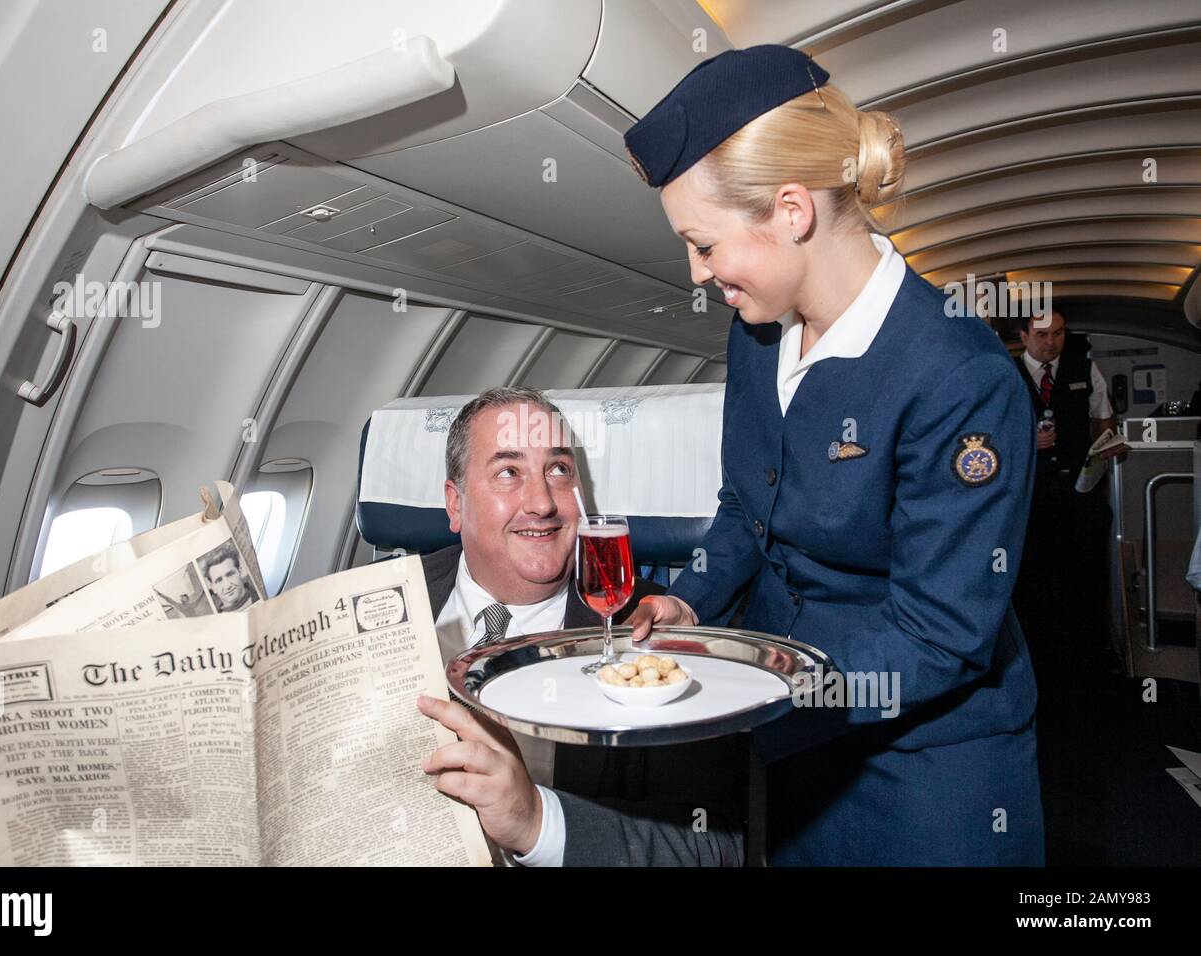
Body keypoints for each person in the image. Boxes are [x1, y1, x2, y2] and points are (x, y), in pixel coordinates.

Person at [620, 44, 1044, 865]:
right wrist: (690, 603)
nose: (697, 273)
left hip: (923, 763)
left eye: (703, 244)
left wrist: (746, 689)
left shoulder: (958, 374)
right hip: (784, 738)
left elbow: (939, 635)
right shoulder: (755, 334)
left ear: (791, 210)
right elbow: (748, 505)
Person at [415, 386, 745, 865]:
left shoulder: (650, 633)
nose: (542, 503)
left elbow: (716, 843)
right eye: (508, 472)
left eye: (558, 470)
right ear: (455, 503)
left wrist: (538, 824)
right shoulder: (387, 596)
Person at [1012, 309, 1126, 662]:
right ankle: (1038, 655)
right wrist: (1025, 441)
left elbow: (1103, 419)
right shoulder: (1005, 373)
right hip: (1029, 495)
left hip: (1079, 490)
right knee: (1035, 574)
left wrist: (1108, 443)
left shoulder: (1084, 369)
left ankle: (1089, 651)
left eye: (1058, 333)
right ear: (1024, 337)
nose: (1051, 342)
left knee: (1085, 570)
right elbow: (989, 434)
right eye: (1042, 335)